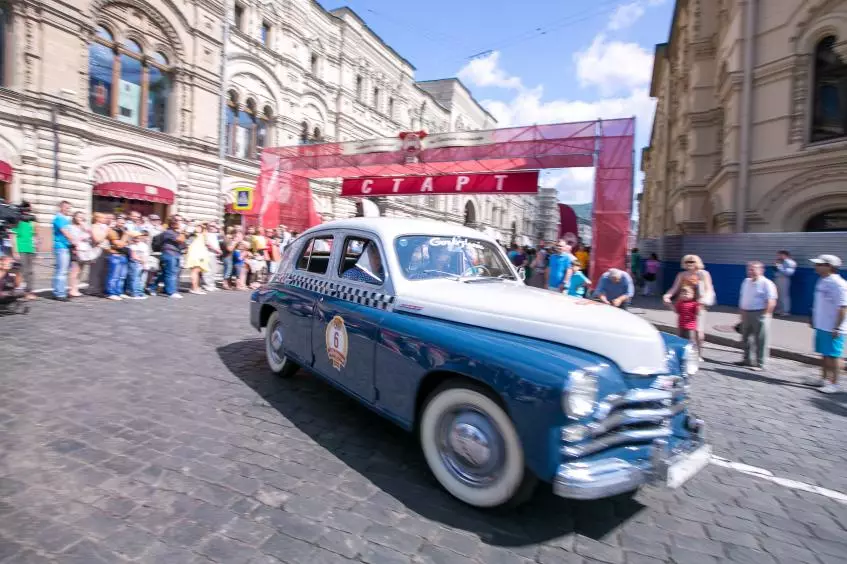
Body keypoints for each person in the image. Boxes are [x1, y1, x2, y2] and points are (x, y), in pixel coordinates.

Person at [806, 254, 847, 394]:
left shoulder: (839, 284)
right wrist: (813, 318)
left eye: (819, 264)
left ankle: (834, 384)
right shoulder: (822, 280)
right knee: (824, 354)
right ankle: (823, 379)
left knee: (834, 356)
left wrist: (837, 326)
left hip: (834, 327)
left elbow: (843, 307)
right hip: (822, 324)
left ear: (829, 266)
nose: (815, 266)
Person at [663, 255, 714, 362]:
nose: (689, 263)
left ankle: (699, 353)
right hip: (684, 305)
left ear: (697, 262)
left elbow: (709, 289)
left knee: (698, 332)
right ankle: (683, 351)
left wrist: (704, 300)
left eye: (692, 261)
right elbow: (674, 288)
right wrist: (667, 295)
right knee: (682, 330)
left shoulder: (703, 274)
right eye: (687, 262)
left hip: (699, 306)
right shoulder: (682, 275)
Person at [735, 261, 777, 371]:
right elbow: (743, 297)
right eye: (749, 269)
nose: (750, 272)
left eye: (753, 269)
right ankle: (747, 360)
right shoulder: (746, 282)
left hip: (759, 313)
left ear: (761, 270)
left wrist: (765, 315)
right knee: (746, 338)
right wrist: (742, 313)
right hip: (746, 312)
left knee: (761, 340)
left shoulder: (767, 283)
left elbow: (771, 301)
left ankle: (760, 363)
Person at [9, 201, 37, 300]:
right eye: (28, 208)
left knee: (30, 271)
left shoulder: (31, 221)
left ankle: (29, 291)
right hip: (21, 248)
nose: (29, 210)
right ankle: (20, 291)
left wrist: (35, 248)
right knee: (21, 271)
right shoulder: (18, 220)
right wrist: (15, 251)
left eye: (30, 208)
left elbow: (33, 235)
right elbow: (13, 235)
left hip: (30, 249)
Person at [67, 211, 96, 298]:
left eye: (82, 217)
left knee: (81, 270)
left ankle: (76, 288)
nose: (80, 218)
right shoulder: (70, 227)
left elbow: (90, 236)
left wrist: (85, 228)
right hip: (76, 249)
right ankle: (72, 289)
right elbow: (71, 238)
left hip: (85, 250)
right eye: (78, 217)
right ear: (74, 217)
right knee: (75, 270)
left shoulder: (85, 227)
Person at [52, 200, 74, 301]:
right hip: (61, 247)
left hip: (64, 247)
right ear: (61, 207)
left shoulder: (64, 219)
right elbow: (65, 233)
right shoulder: (59, 218)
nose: (68, 210)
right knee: (62, 271)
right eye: (66, 208)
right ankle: (60, 293)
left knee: (60, 271)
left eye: (69, 208)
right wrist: (75, 242)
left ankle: (57, 291)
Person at [104, 215, 130, 301]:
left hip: (123, 255)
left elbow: (128, 243)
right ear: (116, 222)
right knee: (114, 276)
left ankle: (119, 292)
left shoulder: (124, 231)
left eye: (123, 222)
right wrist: (125, 237)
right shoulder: (112, 231)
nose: (122, 224)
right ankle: (111, 293)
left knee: (122, 276)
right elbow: (118, 244)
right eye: (120, 222)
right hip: (115, 255)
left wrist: (125, 240)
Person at [185, 222, 210, 295]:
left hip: (200, 255)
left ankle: (194, 287)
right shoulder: (193, 234)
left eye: (200, 227)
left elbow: (206, 235)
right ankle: (195, 288)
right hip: (195, 255)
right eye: (198, 227)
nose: (199, 228)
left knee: (197, 271)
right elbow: (188, 232)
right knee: (195, 271)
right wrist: (198, 224)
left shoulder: (202, 235)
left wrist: (204, 225)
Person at [674, 286, 701, 354]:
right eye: (682, 294)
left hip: (690, 326)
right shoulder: (680, 303)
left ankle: (692, 352)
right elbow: (677, 311)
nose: (684, 295)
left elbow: (697, 313)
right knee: (680, 338)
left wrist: (699, 306)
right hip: (681, 324)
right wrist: (672, 305)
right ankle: (681, 350)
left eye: (687, 294)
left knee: (691, 339)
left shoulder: (694, 304)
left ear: (692, 295)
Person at [127, 232, 150, 300]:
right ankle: (134, 293)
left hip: (143, 263)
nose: (138, 239)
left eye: (139, 237)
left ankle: (140, 292)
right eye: (136, 237)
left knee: (142, 279)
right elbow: (133, 256)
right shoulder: (132, 246)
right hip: (135, 263)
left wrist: (145, 262)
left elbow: (146, 254)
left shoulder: (144, 245)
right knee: (135, 278)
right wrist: (142, 261)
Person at [774, 250, 796, 316]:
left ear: (784, 255)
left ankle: (786, 311)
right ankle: (779, 310)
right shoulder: (781, 262)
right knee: (778, 295)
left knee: (784, 295)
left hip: (784, 279)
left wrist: (779, 266)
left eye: (779, 255)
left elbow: (789, 273)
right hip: (778, 278)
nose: (778, 256)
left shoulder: (790, 262)